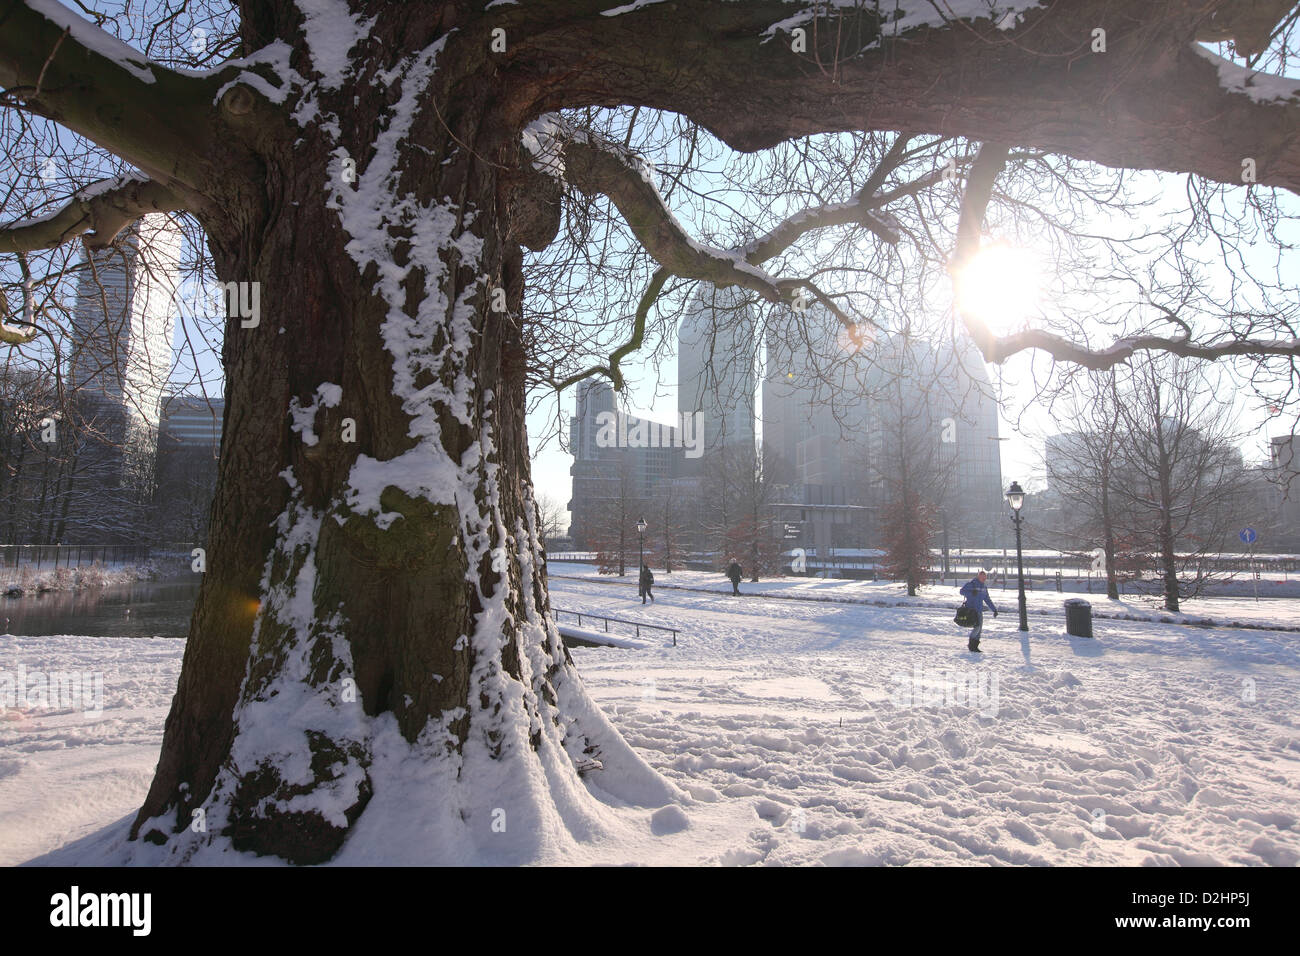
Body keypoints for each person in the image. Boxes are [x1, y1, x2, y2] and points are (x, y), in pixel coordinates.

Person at [959, 569, 998, 653]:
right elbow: (961, 591)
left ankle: (975, 647)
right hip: (971, 610)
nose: (984, 579)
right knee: (977, 628)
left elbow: (987, 599)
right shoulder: (972, 584)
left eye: (985, 578)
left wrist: (994, 610)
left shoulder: (984, 587)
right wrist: (971, 593)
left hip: (979, 611)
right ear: (979, 577)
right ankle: (971, 644)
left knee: (979, 629)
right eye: (983, 577)